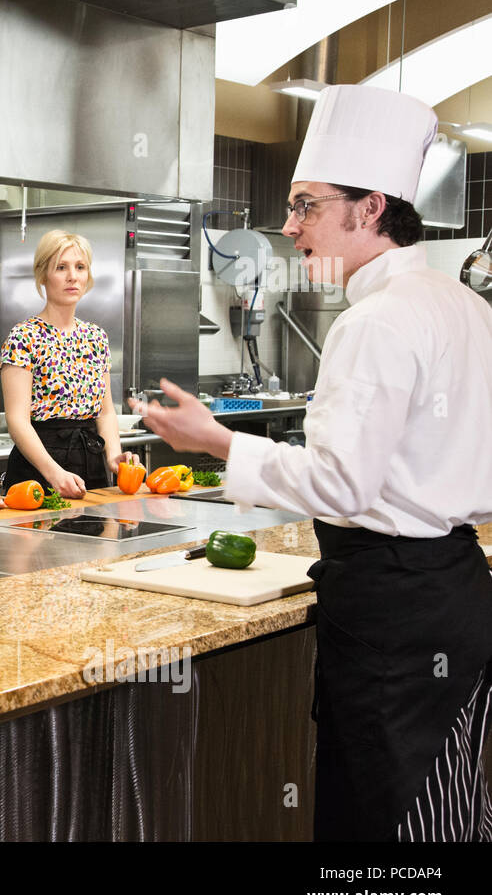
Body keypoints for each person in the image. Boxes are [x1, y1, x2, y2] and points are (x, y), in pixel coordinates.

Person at [134, 85, 492, 841]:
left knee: (388, 817)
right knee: (448, 804)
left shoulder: (377, 320)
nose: (290, 229)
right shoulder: (464, 305)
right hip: (456, 589)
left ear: (369, 209)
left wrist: (218, 440)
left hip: (392, 607)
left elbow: (341, 484)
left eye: (306, 206)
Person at [0, 230, 139, 498]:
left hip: (91, 459)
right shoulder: (24, 336)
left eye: (80, 267)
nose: (72, 276)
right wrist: (54, 473)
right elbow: (17, 420)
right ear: (42, 275)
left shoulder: (96, 337)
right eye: (61, 267)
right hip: (39, 468)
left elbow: (106, 412)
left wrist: (113, 457)